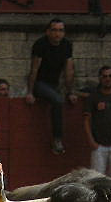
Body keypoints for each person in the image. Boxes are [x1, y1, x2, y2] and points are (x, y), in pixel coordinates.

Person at [25, 18, 77, 154]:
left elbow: (69, 70)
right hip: (40, 83)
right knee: (58, 100)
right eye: (54, 30)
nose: (57, 34)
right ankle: (57, 139)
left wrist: (70, 91)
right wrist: (30, 91)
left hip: (54, 84)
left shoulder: (66, 45)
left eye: (60, 30)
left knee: (59, 99)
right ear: (48, 32)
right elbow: (34, 69)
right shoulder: (41, 44)